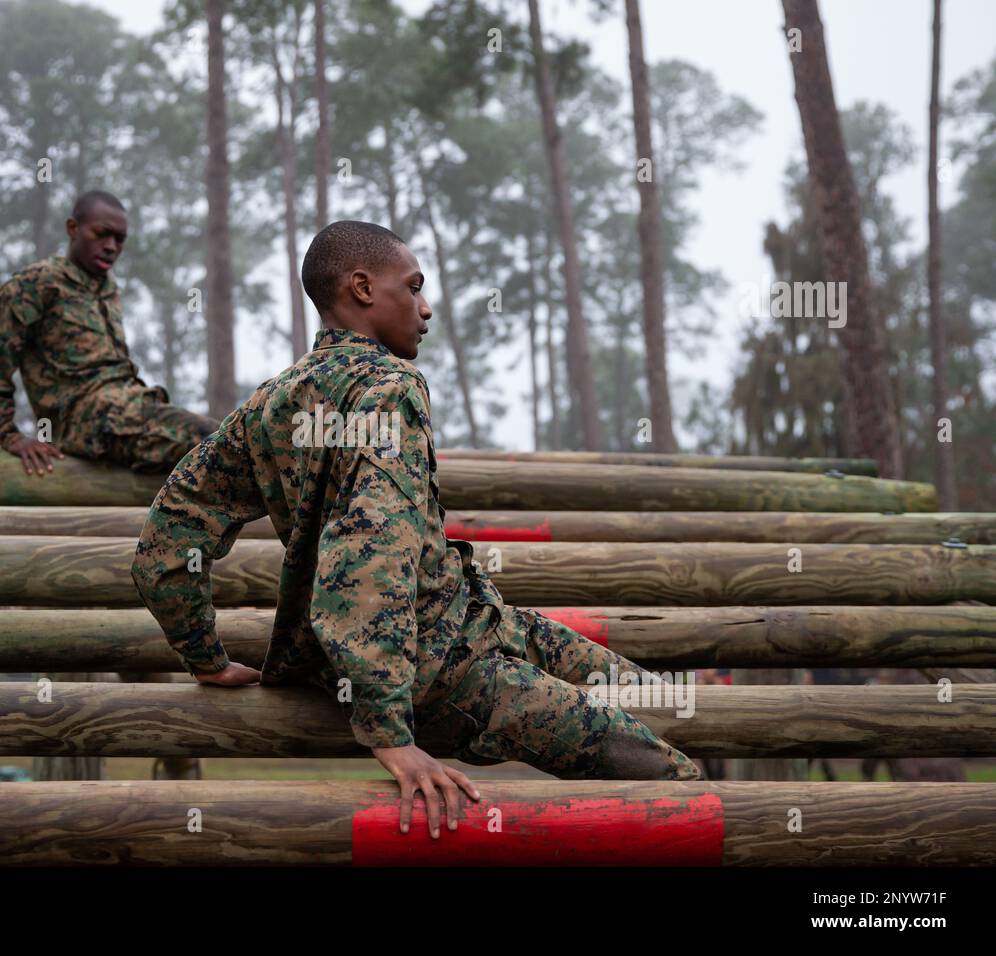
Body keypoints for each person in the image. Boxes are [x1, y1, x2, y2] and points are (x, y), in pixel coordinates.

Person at [131, 221, 699, 839]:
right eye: (415, 287)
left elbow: (168, 533)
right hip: (438, 671)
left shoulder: (272, 402)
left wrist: (202, 655)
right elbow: (373, 551)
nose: (426, 309)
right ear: (363, 288)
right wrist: (387, 731)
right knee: (676, 787)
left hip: (474, 623)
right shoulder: (391, 391)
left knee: (643, 690)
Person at [0, 189, 219, 477]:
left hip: (125, 412)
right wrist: (10, 436)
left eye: (120, 240)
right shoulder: (40, 283)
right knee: (213, 439)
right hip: (85, 423)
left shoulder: (106, 289)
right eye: (102, 234)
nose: (111, 246)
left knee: (229, 440)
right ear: (73, 228)